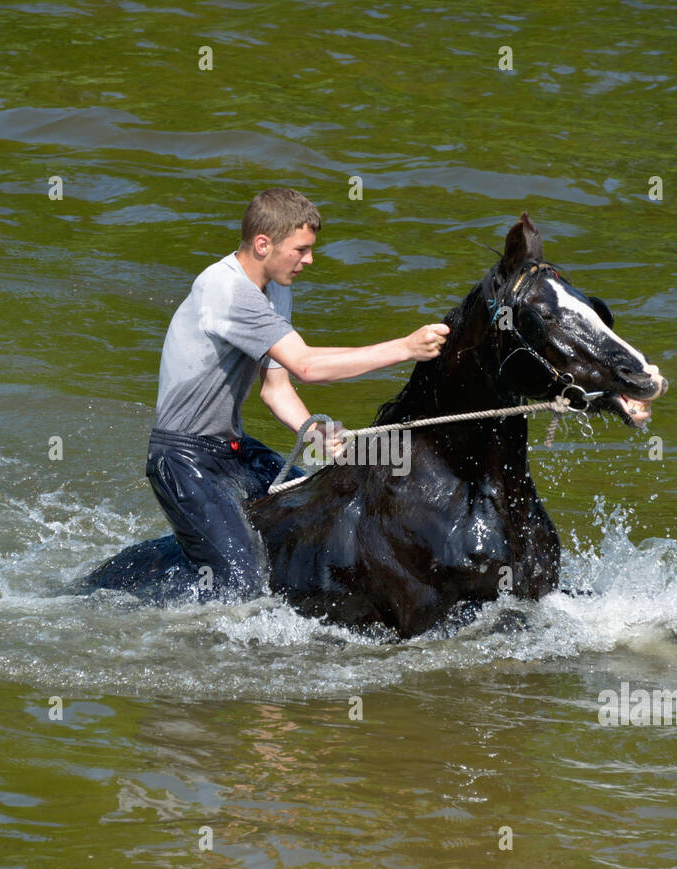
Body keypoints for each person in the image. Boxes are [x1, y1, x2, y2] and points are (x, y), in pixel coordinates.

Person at [147, 187, 450, 598]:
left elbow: (276, 389)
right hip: (182, 458)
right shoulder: (227, 290)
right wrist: (406, 348)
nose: (309, 260)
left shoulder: (277, 290)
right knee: (244, 583)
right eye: (301, 250)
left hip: (231, 451)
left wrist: (317, 437)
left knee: (316, 515)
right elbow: (306, 366)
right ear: (262, 244)